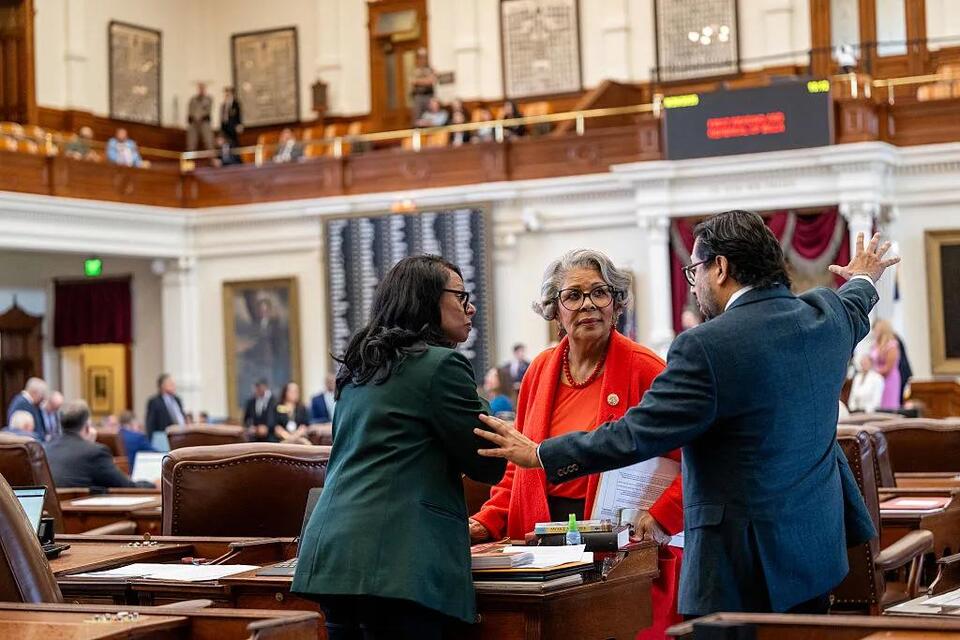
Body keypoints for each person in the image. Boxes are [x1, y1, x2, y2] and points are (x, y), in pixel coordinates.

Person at [474, 212, 900, 618]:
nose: (693, 285)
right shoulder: (825, 315)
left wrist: (544, 455)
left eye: (693, 271)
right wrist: (864, 274)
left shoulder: (706, 346)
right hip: (817, 552)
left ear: (719, 268)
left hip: (741, 565)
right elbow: (856, 302)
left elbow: (635, 434)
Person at [470, 249, 682, 638]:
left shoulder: (645, 368)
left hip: (621, 548)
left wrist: (664, 515)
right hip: (543, 547)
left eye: (600, 293)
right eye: (573, 296)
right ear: (554, 311)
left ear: (617, 304)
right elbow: (521, 462)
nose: (588, 305)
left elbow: (693, 458)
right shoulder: (539, 369)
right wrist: (486, 521)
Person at [292, 255, 506, 640]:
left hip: (332, 553)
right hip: (400, 562)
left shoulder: (359, 367)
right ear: (426, 299)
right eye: (461, 296)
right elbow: (486, 462)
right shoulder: (442, 365)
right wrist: (486, 404)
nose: (470, 307)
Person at [44, 400, 155, 489]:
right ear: (87, 426)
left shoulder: (46, 449)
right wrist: (153, 485)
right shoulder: (95, 452)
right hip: (85, 514)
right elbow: (125, 486)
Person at [871, 319, 902, 411]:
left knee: (888, 406)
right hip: (876, 380)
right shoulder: (875, 345)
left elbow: (888, 368)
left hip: (888, 379)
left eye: (876, 329)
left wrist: (874, 372)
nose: (874, 332)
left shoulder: (892, 345)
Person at [145, 373, 186, 438]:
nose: (174, 386)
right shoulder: (154, 401)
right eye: (171, 384)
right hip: (164, 437)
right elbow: (150, 424)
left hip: (182, 435)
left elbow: (181, 417)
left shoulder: (177, 400)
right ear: (162, 386)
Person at [8, 377, 47, 441]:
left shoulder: (27, 402)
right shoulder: (22, 403)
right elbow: (18, 429)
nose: (43, 398)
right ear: (35, 392)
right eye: (42, 394)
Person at [410, 47, 437, 122]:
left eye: (424, 57)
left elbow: (431, 81)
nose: (423, 59)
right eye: (420, 57)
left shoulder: (431, 69)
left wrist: (419, 81)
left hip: (429, 97)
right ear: (418, 58)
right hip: (418, 97)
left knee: (430, 118)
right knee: (417, 119)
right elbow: (412, 81)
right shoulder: (414, 70)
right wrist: (426, 80)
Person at [187, 82, 214, 151]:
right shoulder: (193, 99)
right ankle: (190, 159)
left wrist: (200, 117)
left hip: (204, 122)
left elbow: (208, 110)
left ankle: (212, 158)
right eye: (200, 88)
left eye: (202, 88)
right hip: (194, 123)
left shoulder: (209, 99)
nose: (201, 90)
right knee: (191, 142)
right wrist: (194, 118)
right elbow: (190, 110)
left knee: (209, 141)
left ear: (205, 89)